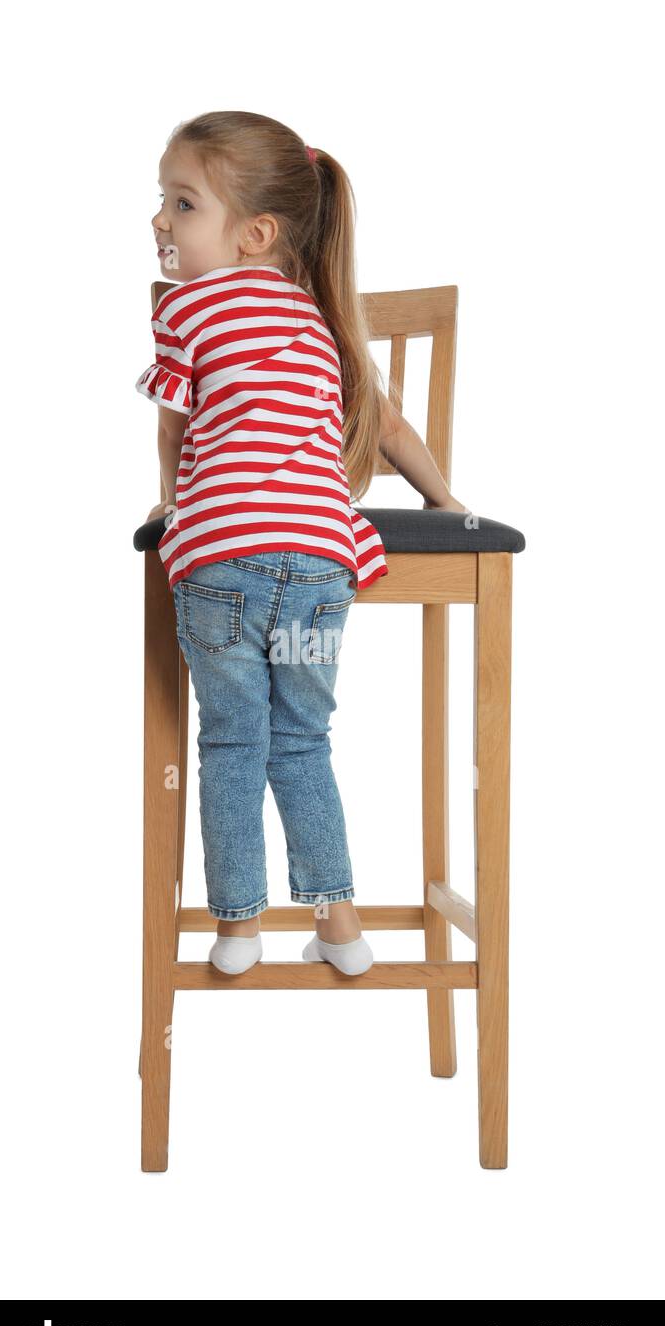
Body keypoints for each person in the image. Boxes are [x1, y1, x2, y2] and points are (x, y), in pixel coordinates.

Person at [136, 111, 467, 977]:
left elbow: (175, 437)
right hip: (324, 563)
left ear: (256, 234)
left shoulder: (184, 308)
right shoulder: (327, 322)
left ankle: (239, 928)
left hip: (226, 567)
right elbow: (389, 428)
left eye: (182, 203)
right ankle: (341, 921)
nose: (160, 221)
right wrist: (447, 503)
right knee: (303, 740)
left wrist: (175, 509)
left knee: (233, 741)